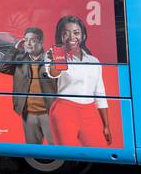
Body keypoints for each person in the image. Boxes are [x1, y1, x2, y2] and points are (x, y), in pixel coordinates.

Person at [45, 15, 112, 147]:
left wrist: (106, 126)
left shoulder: (94, 61)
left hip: (89, 112)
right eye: (66, 33)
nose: (71, 37)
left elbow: (100, 94)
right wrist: (57, 60)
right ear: (60, 36)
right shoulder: (53, 55)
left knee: (99, 151)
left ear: (83, 36)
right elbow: (53, 73)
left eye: (76, 33)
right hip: (64, 111)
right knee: (67, 154)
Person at [0, 27, 56, 145]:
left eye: (32, 40)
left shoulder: (51, 59)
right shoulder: (19, 59)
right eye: (26, 40)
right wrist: (14, 49)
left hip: (49, 114)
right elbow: (2, 67)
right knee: (32, 150)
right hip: (28, 114)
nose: (28, 43)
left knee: (58, 149)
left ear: (41, 42)